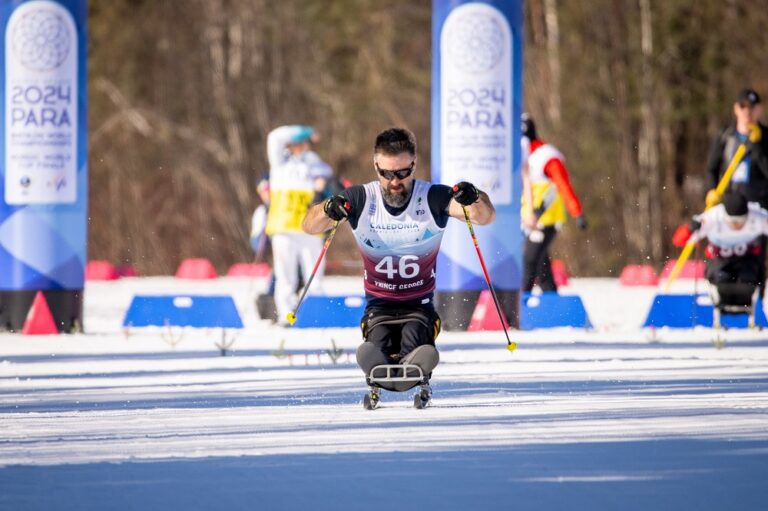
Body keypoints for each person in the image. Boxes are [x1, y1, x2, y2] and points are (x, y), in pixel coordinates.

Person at [302, 127, 495, 408]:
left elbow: (484, 217)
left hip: (419, 306)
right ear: (375, 166)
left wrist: (474, 196)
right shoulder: (360, 199)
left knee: (415, 337)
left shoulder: (433, 197)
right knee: (378, 342)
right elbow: (309, 226)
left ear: (413, 165)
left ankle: (411, 361)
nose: (395, 181)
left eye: (403, 173)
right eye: (387, 173)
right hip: (378, 307)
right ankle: (384, 362)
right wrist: (327, 208)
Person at [265, 125, 332, 326]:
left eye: (304, 142)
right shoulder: (279, 163)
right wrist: (307, 131)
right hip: (284, 228)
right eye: (297, 142)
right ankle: (286, 315)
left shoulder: (312, 162)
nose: (301, 145)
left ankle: (315, 314)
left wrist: (322, 185)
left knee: (315, 276)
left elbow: (327, 173)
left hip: (311, 229)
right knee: (286, 277)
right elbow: (274, 136)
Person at [704, 88, 768, 296]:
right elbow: (711, 168)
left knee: (755, 258)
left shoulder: (765, 138)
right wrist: (710, 191)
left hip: (757, 207)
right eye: (743, 106)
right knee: (724, 254)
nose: (747, 111)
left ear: (759, 110)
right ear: (736, 109)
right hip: (729, 206)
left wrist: (757, 147)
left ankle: (756, 299)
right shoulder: (725, 136)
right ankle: (723, 298)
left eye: (752, 107)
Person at [520, 113, 587, 293]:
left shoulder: (545, 156)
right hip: (531, 221)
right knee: (541, 267)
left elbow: (562, 184)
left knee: (529, 262)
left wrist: (577, 212)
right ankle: (551, 300)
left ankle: (519, 305)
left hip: (545, 219)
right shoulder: (523, 156)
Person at [686, 192, 768, 325]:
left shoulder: (757, 216)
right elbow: (681, 239)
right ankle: (719, 307)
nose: (737, 225)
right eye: (733, 222)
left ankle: (751, 310)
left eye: (741, 221)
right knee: (720, 278)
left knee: (748, 278)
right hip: (720, 259)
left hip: (746, 259)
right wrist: (690, 229)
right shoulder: (714, 216)